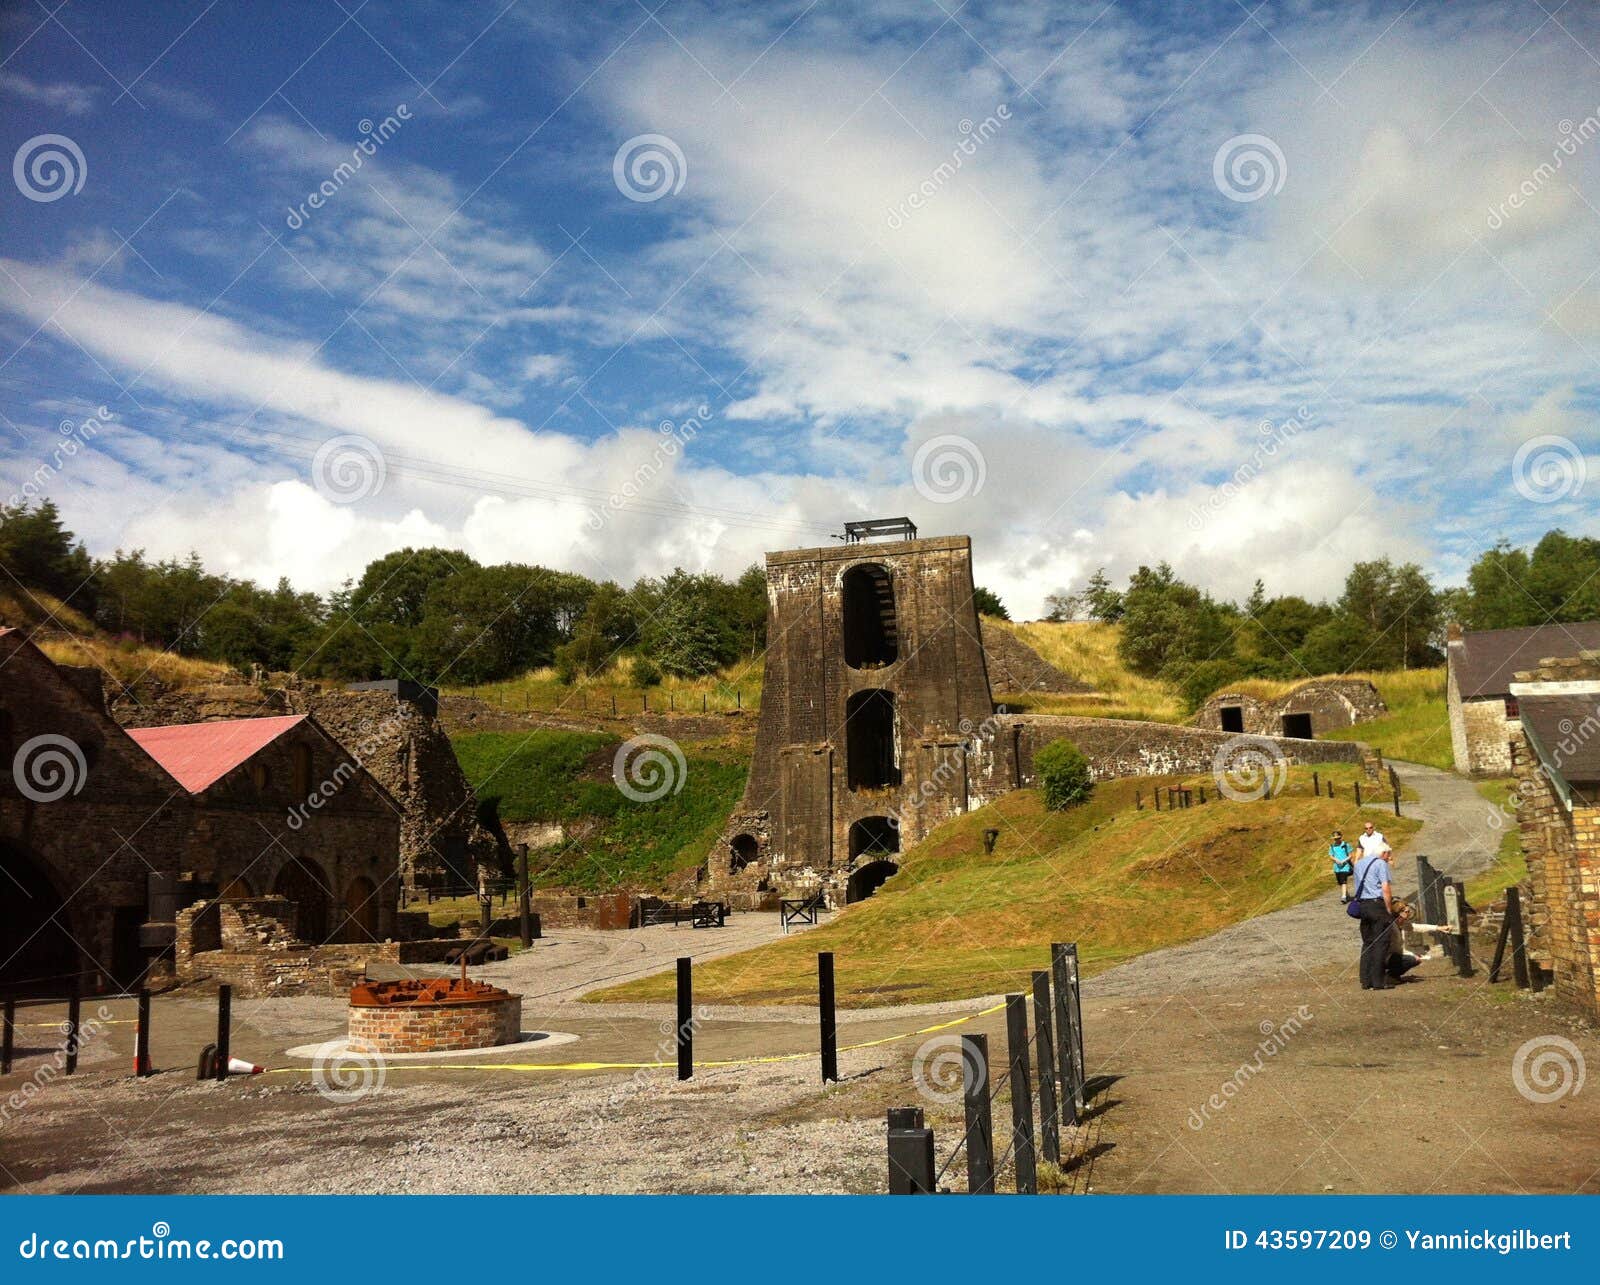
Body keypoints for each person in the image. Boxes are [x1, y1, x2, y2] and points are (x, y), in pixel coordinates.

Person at [1351, 842, 1395, 990]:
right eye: (1389, 854)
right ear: (1383, 853)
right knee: (1381, 943)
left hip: (1363, 905)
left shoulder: (1359, 864)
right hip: (1377, 905)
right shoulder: (1381, 864)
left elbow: (1357, 886)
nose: (1389, 858)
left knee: (1367, 942)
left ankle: (1365, 979)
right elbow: (1385, 888)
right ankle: (1378, 981)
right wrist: (1389, 909)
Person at [1329, 829, 1355, 902]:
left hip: (1345, 866)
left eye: (1338, 838)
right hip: (1337, 867)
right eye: (1335, 839)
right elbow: (1331, 856)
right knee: (1340, 882)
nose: (1337, 840)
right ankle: (1346, 895)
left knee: (1344, 881)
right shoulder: (1332, 847)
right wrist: (1336, 860)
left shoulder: (1346, 845)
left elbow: (1350, 855)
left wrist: (1344, 860)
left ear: (1341, 837)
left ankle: (1343, 897)